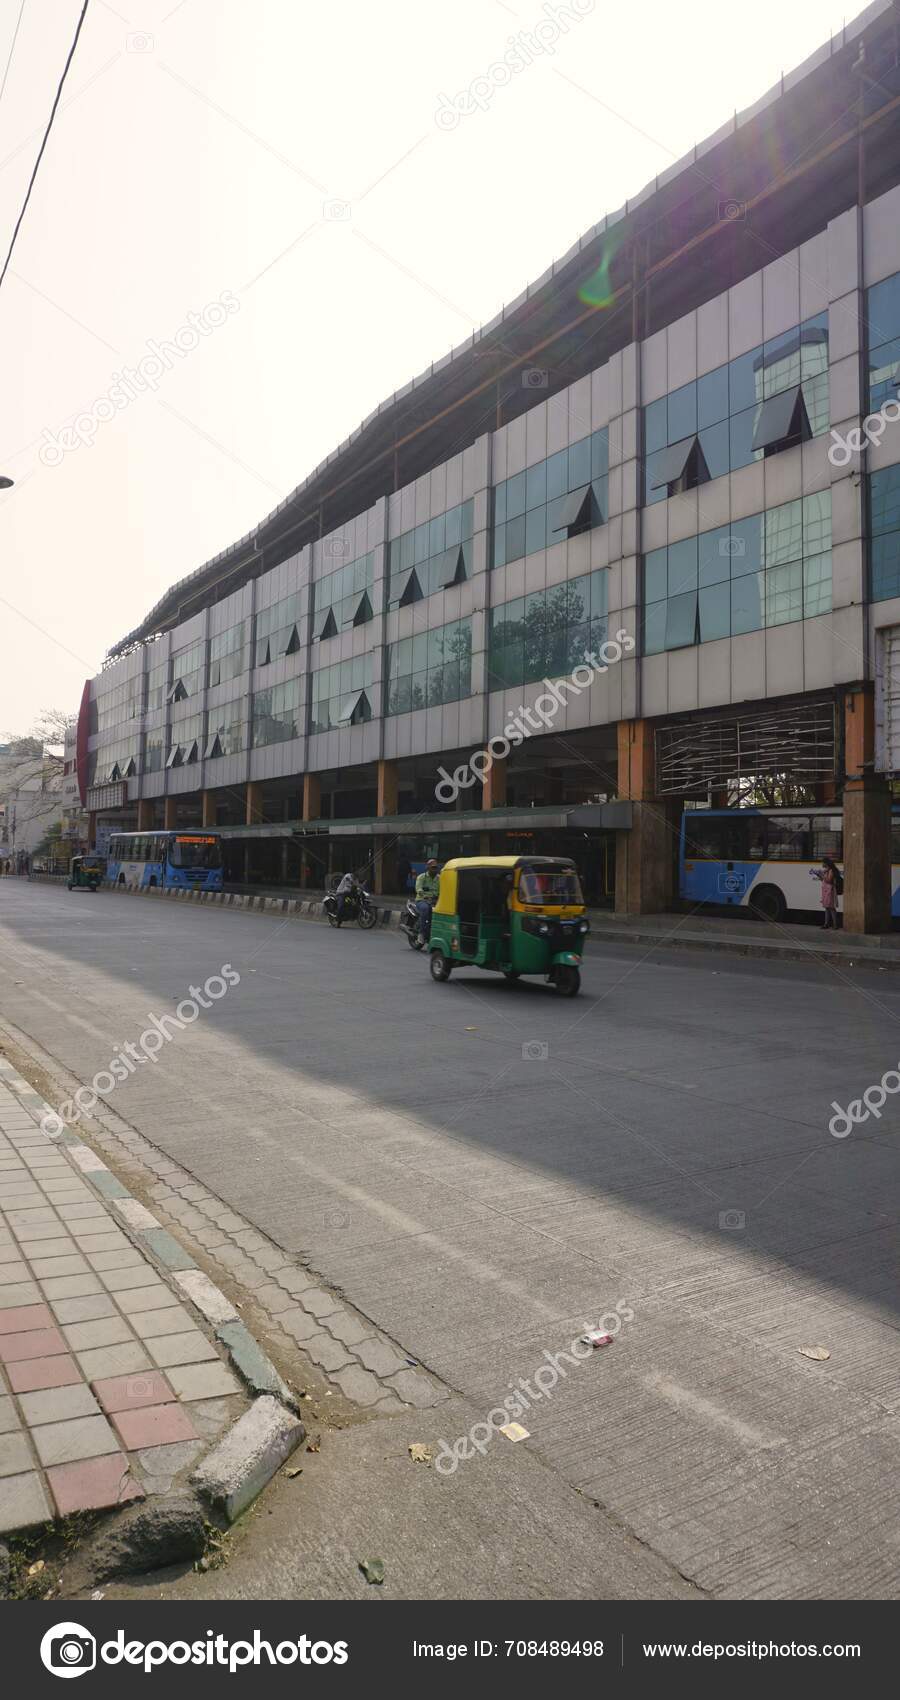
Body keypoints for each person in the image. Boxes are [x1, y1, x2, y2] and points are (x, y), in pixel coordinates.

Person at [415, 858, 441, 944]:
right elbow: (418, 889)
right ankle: (421, 934)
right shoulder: (421, 877)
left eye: (436, 867)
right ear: (428, 868)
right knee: (425, 909)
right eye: (432, 867)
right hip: (422, 900)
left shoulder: (439, 878)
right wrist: (424, 895)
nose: (434, 869)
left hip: (435, 901)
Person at [818, 856, 840, 929]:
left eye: (823, 862)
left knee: (831, 908)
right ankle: (826, 924)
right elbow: (825, 880)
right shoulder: (827, 870)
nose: (822, 864)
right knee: (827, 907)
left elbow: (829, 880)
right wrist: (820, 877)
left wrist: (822, 876)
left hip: (830, 891)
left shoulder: (831, 870)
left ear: (826, 863)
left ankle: (835, 925)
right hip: (826, 890)